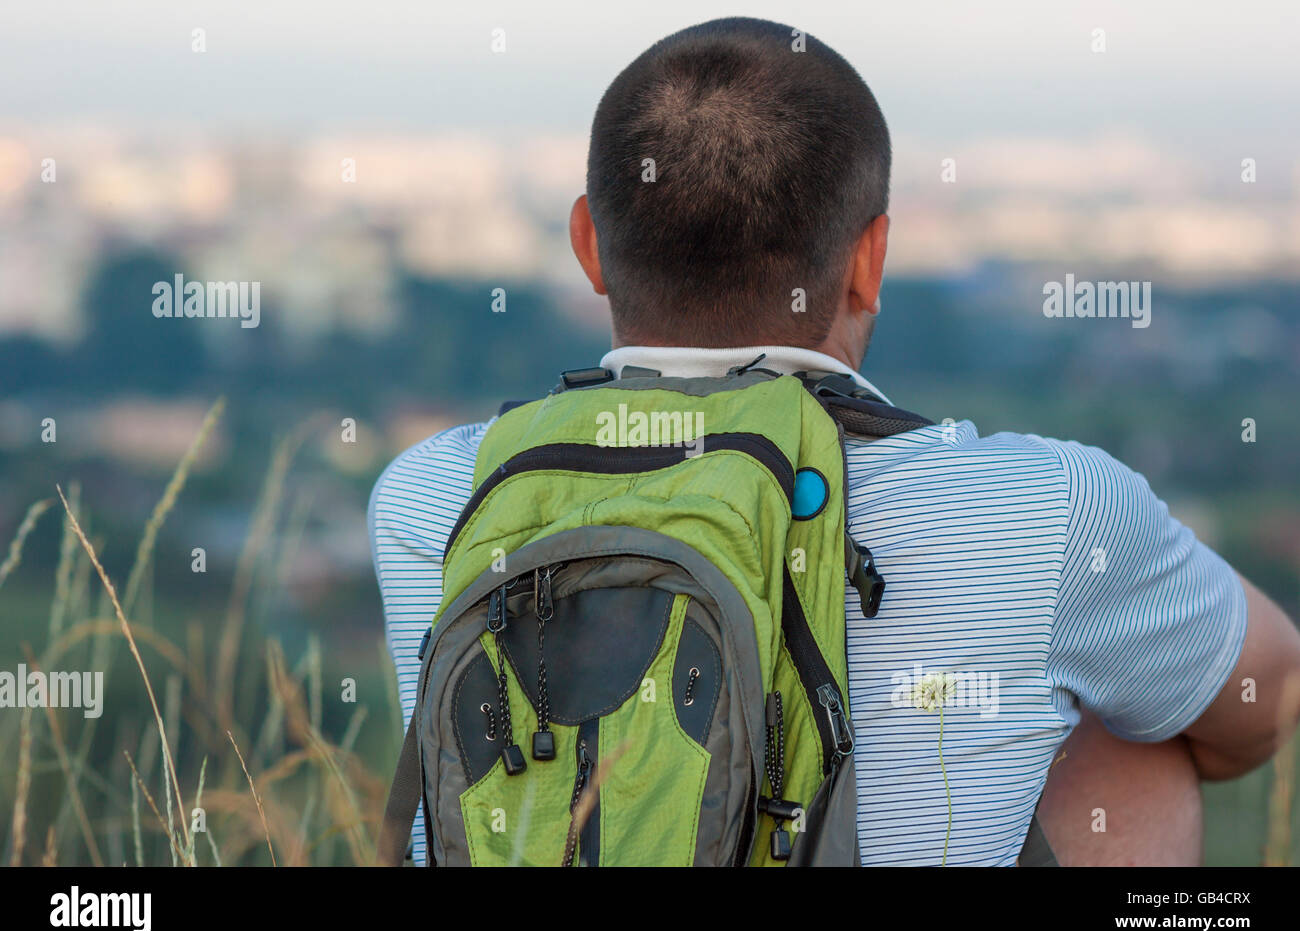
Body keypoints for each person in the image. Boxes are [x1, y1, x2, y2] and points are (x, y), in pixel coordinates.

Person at [369, 17, 1300, 865]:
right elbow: (1267, 692)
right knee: (1141, 744)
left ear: (590, 246)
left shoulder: (431, 497)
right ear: (870, 259)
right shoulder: (1047, 509)